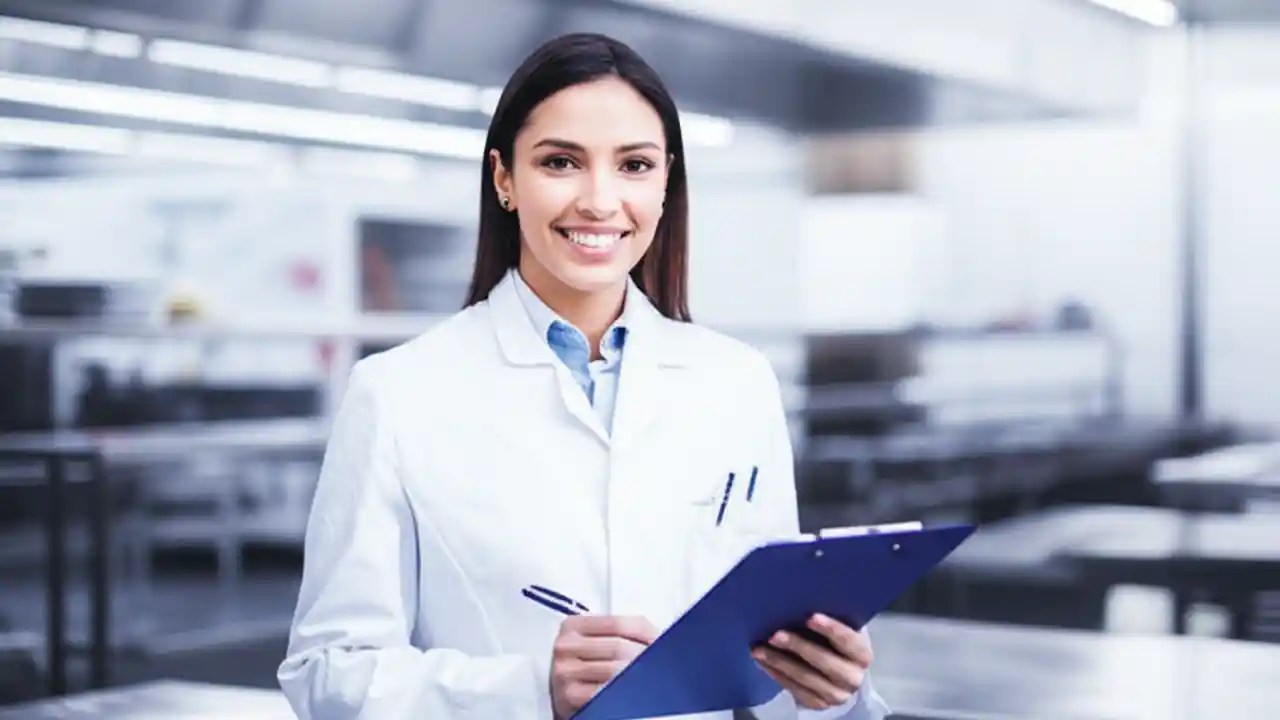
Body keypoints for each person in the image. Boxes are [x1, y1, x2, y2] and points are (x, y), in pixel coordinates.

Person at [277, 32, 889, 720]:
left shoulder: (737, 382)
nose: (600, 201)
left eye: (634, 165)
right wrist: (530, 690)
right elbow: (327, 674)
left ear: (665, 185)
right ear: (504, 179)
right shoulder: (396, 394)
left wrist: (831, 692)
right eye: (561, 161)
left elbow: (763, 667)